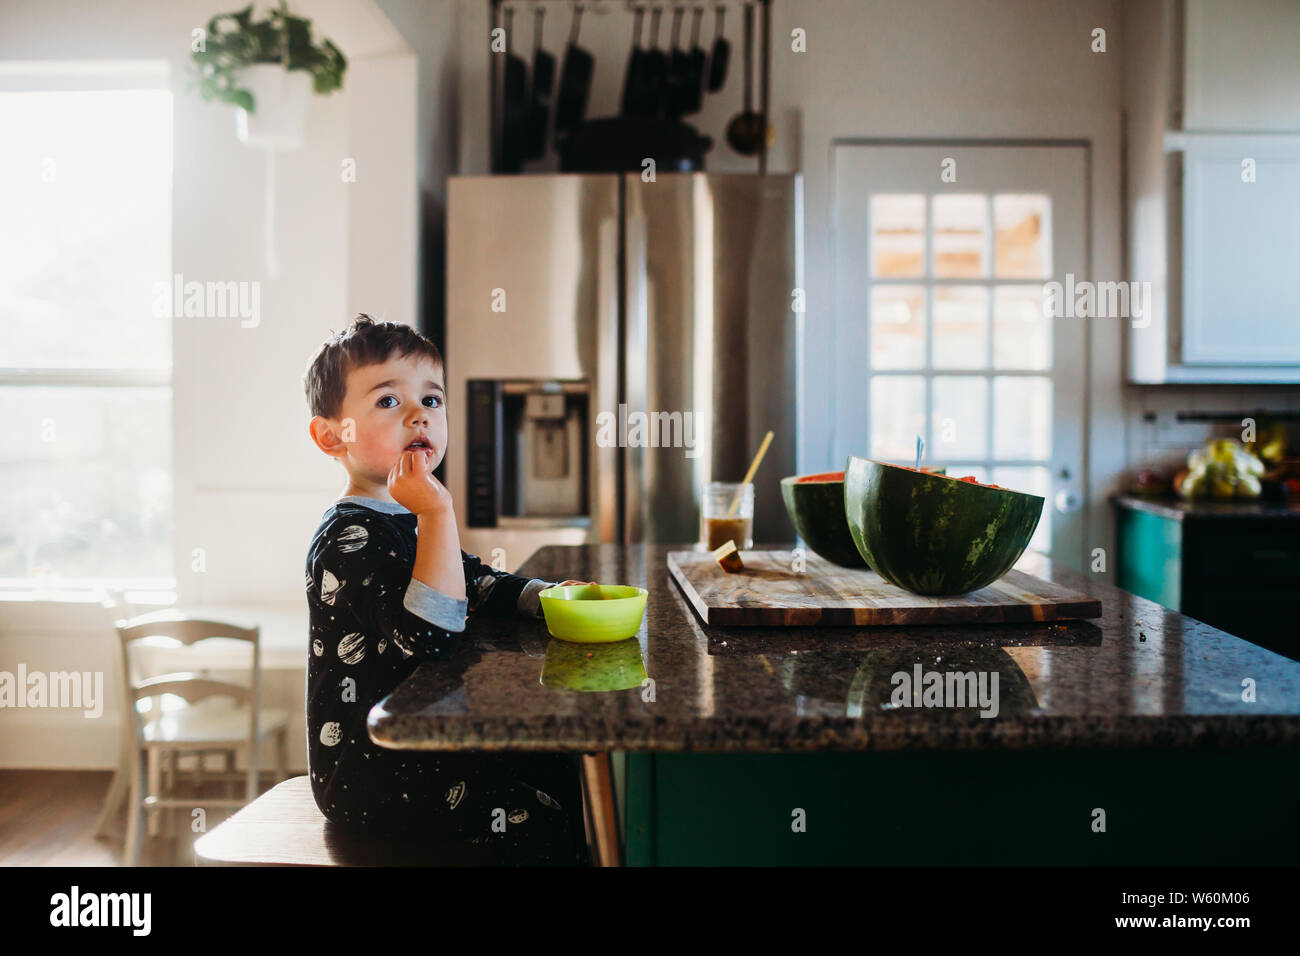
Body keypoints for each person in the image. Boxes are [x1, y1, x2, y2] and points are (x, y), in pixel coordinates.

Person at [302, 315, 591, 865]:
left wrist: (545, 596)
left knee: (561, 763)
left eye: (432, 400)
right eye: (388, 402)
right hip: (373, 770)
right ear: (330, 436)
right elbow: (432, 637)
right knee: (539, 817)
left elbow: (473, 582)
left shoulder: (409, 517)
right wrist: (438, 508)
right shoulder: (347, 538)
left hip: (425, 749)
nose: (418, 415)